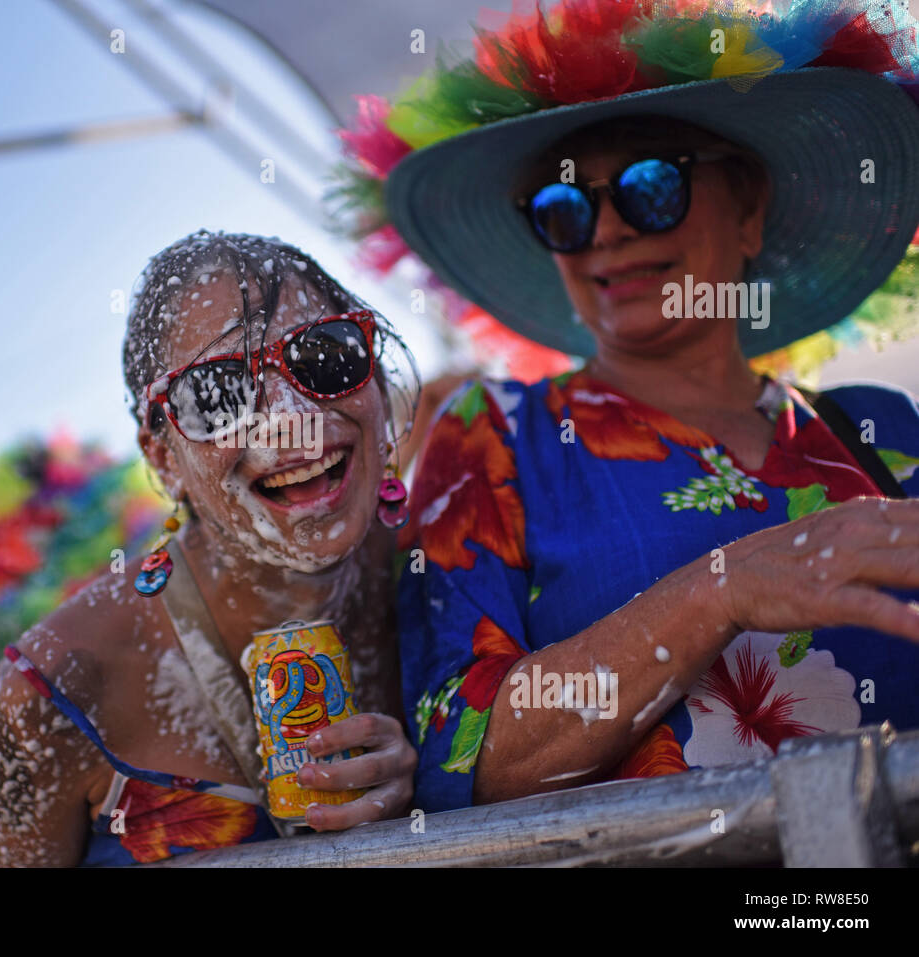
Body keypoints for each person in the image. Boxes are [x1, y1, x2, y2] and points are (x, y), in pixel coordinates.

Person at [335, 0, 919, 810]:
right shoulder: (494, 434)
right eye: (563, 209)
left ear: (747, 208)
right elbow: (458, 759)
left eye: (652, 184)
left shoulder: (881, 433)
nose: (605, 231)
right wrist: (720, 588)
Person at [0, 231, 420, 866]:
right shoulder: (50, 697)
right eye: (218, 395)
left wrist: (423, 812)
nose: (289, 415)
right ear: (162, 457)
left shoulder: (448, 560)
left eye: (325, 354)